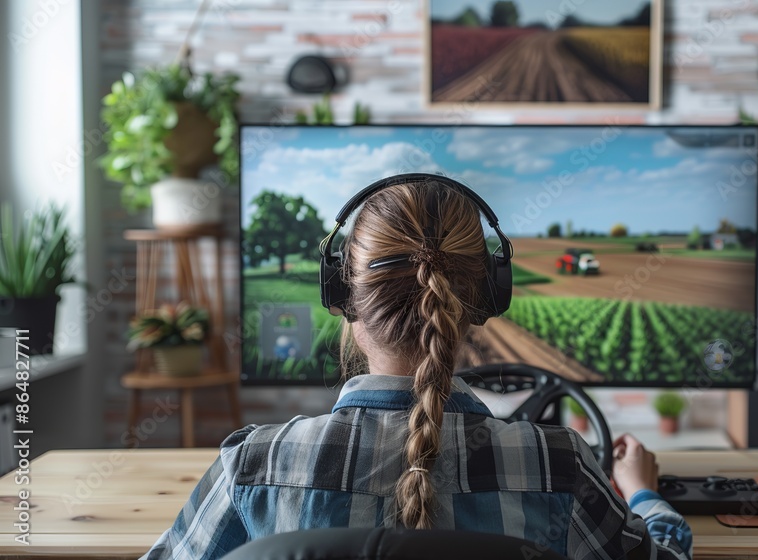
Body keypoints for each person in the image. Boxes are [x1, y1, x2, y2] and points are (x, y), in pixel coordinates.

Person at [141, 177, 693, 559]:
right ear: (482, 303)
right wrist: (643, 493)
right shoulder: (559, 467)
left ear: (343, 297)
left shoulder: (254, 466)